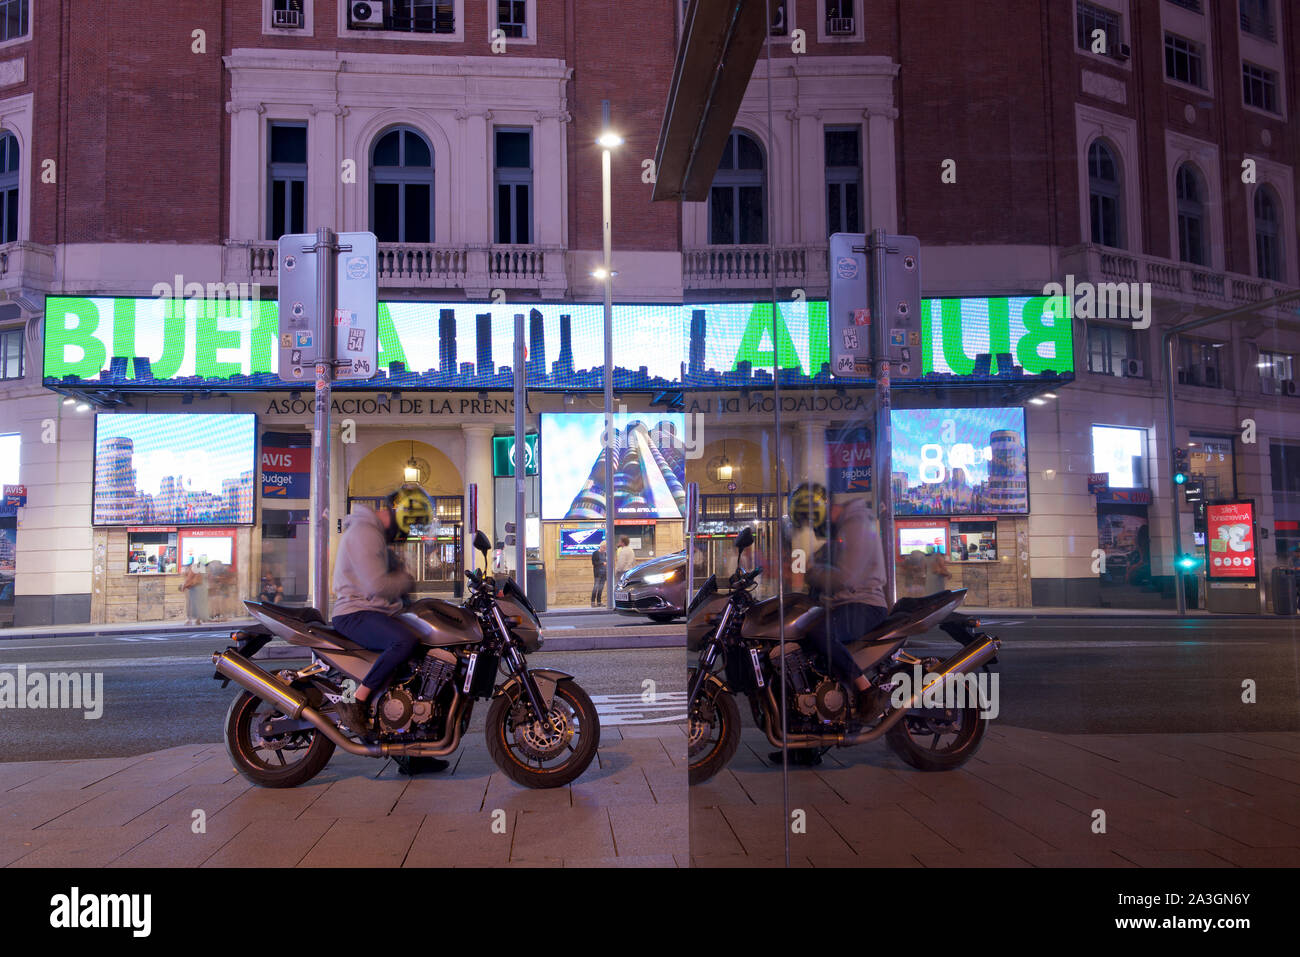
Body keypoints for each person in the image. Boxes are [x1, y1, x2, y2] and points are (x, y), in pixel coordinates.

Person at [776, 485, 888, 766]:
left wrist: (809, 572)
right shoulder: (840, 530)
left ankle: (866, 691)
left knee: (818, 631)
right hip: (841, 605)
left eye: (811, 522)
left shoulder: (857, 524)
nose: (813, 529)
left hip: (865, 606)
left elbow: (845, 578)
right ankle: (806, 744)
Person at [329, 493, 420, 739]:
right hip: (355, 613)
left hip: (370, 611)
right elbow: (376, 585)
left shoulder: (372, 533)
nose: (407, 531)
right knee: (403, 641)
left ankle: (411, 752)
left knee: (412, 670)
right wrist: (407, 580)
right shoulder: (365, 533)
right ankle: (355, 703)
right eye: (408, 523)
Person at [180, 557, 208, 625]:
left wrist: (184, 586)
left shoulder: (195, 567)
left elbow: (189, 579)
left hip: (194, 588)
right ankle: (198, 620)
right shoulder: (203, 568)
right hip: (202, 588)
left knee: (191, 604)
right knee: (199, 604)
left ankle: (189, 619)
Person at [591, 541, 607, 606]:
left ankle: (599, 602)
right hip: (598, 573)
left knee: (601, 588)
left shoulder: (605, 554)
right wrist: (602, 563)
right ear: (601, 546)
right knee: (596, 587)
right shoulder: (595, 553)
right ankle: (592, 602)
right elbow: (594, 563)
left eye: (605, 548)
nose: (604, 549)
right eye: (604, 547)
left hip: (604, 573)